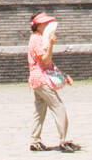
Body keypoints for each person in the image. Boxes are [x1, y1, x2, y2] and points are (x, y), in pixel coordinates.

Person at [27, 11, 79, 152]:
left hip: (37, 80)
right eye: (44, 23)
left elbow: (48, 63)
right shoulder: (37, 39)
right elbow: (45, 61)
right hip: (41, 79)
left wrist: (63, 75)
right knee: (58, 107)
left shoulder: (38, 38)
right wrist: (50, 43)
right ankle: (64, 139)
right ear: (38, 26)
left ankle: (35, 139)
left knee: (40, 110)